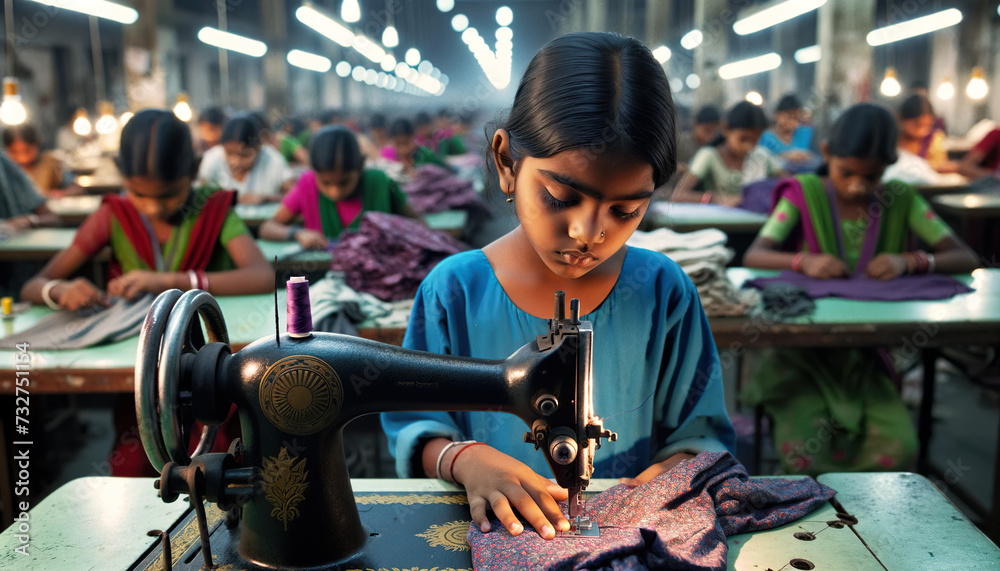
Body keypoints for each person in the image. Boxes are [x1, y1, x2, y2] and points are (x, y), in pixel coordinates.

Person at [381, 32, 735, 541]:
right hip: (491, 531)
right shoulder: (453, 293)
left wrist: (653, 485)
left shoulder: (663, 293)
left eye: (625, 211)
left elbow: (699, 434)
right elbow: (417, 423)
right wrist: (466, 459)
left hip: (621, 528)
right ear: (506, 163)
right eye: (560, 196)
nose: (588, 234)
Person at [741, 103, 978, 475]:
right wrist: (804, 262)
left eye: (871, 177)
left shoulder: (899, 198)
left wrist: (912, 260)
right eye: (846, 172)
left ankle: (864, 529)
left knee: (897, 450)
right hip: (800, 356)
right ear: (826, 154)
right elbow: (757, 253)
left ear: (889, 167)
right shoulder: (803, 194)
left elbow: (964, 256)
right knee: (806, 455)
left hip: (868, 359)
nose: (856, 185)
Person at [21, 108, 274, 310]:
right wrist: (59, 290)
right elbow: (32, 286)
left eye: (169, 195)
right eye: (139, 194)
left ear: (195, 170)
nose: (153, 207)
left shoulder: (213, 208)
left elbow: (263, 276)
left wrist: (170, 282)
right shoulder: (114, 214)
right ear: (123, 177)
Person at [260, 125, 418, 249]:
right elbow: (268, 227)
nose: (335, 191)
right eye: (326, 183)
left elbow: (417, 223)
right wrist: (297, 233)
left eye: (344, 182)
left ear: (360, 167)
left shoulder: (380, 182)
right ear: (314, 172)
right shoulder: (308, 184)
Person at [673, 101, 783, 205]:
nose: (748, 147)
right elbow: (678, 195)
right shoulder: (709, 155)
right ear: (726, 129)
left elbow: (788, 184)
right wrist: (715, 199)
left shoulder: (760, 155)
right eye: (744, 139)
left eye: (755, 140)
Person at [197, 113, 296, 204]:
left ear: (259, 147)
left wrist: (266, 198)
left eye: (245, 155)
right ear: (222, 146)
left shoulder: (273, 160)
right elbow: (200, 197)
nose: (236, 161)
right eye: (229, 153)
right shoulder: (212, 160)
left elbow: (294, 196)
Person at [3, 123, 79, 196]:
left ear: (37, 144)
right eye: (14, 152)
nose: (21, 158)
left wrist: (61, 193)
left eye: (27, 150)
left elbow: (77, 188)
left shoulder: (50, 162)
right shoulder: (4, 169)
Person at [759, 94, 820, 172]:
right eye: (789, 116)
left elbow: (818, 158)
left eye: (796, 118)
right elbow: (761, 161)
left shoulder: (806, 133)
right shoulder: (765, 138)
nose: (792, 121)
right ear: (777, 115)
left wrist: (808, 156)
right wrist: (785, 156)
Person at [896, 94, 953, 173]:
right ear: (901, 119)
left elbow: (941, 164)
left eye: (927, 126)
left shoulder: (933, 138)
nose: (922, 130)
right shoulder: (893, 138)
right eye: (917, 124)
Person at [381, 118, 453, 173]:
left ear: (414, 138)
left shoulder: (425, 154)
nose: (402, 149)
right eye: (398, 144)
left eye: (406, 143)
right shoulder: (389, 155)